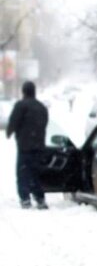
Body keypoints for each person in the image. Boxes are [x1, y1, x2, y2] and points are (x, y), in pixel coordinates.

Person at [5, 80, 49, 210]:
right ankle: (39, 197)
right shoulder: (42, 107)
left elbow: (14, 121)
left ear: (23, 92)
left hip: (24, 146)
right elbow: (44, 123)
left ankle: (25, 198)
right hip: (39, 146)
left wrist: (9, 132)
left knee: (23, 173)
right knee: (36, 172)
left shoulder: (20, 105)